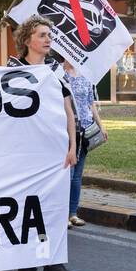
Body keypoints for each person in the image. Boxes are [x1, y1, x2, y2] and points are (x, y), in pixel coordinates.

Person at [7, 16, 81, 271]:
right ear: (27, 40)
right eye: (41, 35)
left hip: (54, 153)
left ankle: (54, 264)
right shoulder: (12, 70)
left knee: (55, 208)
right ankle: (25, 266)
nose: (48, 39)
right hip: (25, 153)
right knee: (28, 210)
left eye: (49, 35)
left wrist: (72, 146)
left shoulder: (55, 70)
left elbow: (67, 110)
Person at [57, 51, 96, 229]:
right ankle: (62, 214)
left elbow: (91, 103)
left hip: (85, 129)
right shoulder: (59, 74)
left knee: (78, 175)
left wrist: (100, 126)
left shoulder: (86, 75)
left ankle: (73, 212)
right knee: (68, 173)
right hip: (66, 128)